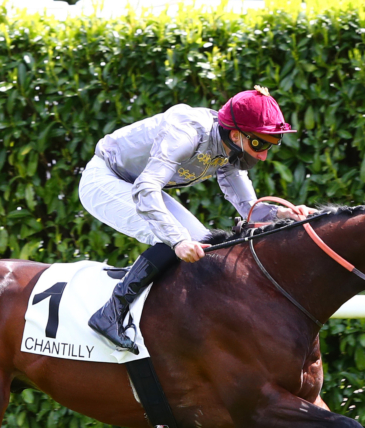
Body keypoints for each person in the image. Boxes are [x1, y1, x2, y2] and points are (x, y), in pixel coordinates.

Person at [80, 86, 316, 354]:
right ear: (237, 134)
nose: (263, 155)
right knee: (174, 236)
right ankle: (111, 313)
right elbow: (146, 189)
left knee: (203, 243)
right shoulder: (187, 132)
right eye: (259, 144)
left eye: (272, 145)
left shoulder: (231, 148)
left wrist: (283, 213)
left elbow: (250, 210)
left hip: (135, 182)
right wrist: (177, 240)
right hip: (105, 179)